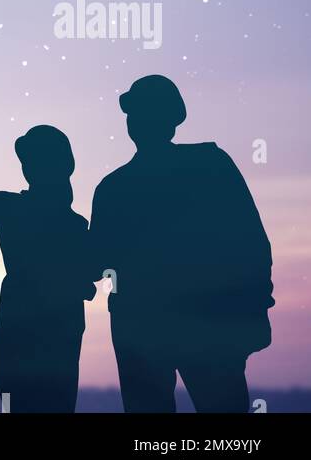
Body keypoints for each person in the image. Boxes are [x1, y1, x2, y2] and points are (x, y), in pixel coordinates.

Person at [90, 74, 273, 413]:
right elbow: (251, 241)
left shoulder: (115, 187)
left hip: (163, 324)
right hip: (195, 322)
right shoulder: (209, 164)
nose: (134, 120)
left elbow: (96, 263)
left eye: (139, 112)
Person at [0, 90, 92, 413]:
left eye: (30, 161)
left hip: (23, 336)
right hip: (50, 337)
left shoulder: (15, 210)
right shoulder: (75, 225)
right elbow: (94, 272)